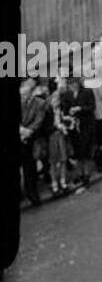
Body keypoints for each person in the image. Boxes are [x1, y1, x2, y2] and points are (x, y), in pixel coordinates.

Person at [19, 77, 48, 205]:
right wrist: (21, 131)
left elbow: (38, 120)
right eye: (21, 95)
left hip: (30, 139)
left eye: (25, 95)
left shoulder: (39, 103)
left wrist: (27, 132)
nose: (23, 97)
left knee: (29, 168)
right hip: (19, 136)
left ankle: (32, 193)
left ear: (31, 93)